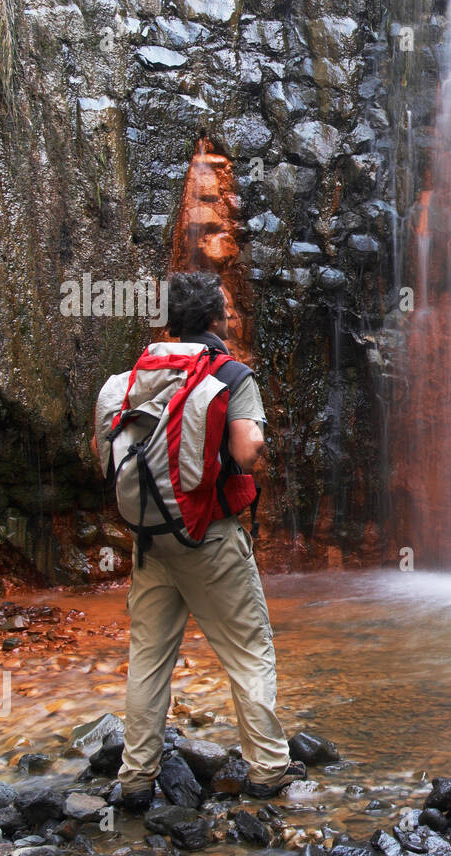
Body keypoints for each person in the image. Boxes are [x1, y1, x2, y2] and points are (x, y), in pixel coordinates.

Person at [93, 272, 303, 809]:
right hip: (209, 537)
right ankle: (269, 769)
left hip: (151, 541)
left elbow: (105, 452)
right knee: (249, 651)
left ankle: (136, 779)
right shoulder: (230, 375)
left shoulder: (137, 373)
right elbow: (249, 447)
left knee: (148, 660)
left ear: (168, 321)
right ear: (215, 320)